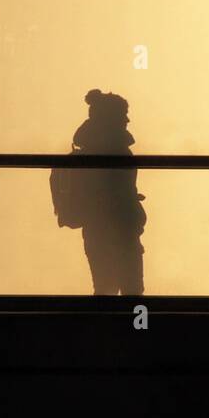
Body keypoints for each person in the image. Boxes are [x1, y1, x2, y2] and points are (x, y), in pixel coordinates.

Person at [73, 89, 146, 295]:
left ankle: (104, 326)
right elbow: (119, 194)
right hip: (122, 233)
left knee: (105, 290)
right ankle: (133, 327)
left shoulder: (89, 150)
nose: (127, 119)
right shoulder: (117, 150)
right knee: (132, 291)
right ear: (111, 118)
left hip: (96, 232)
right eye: (123, 114)